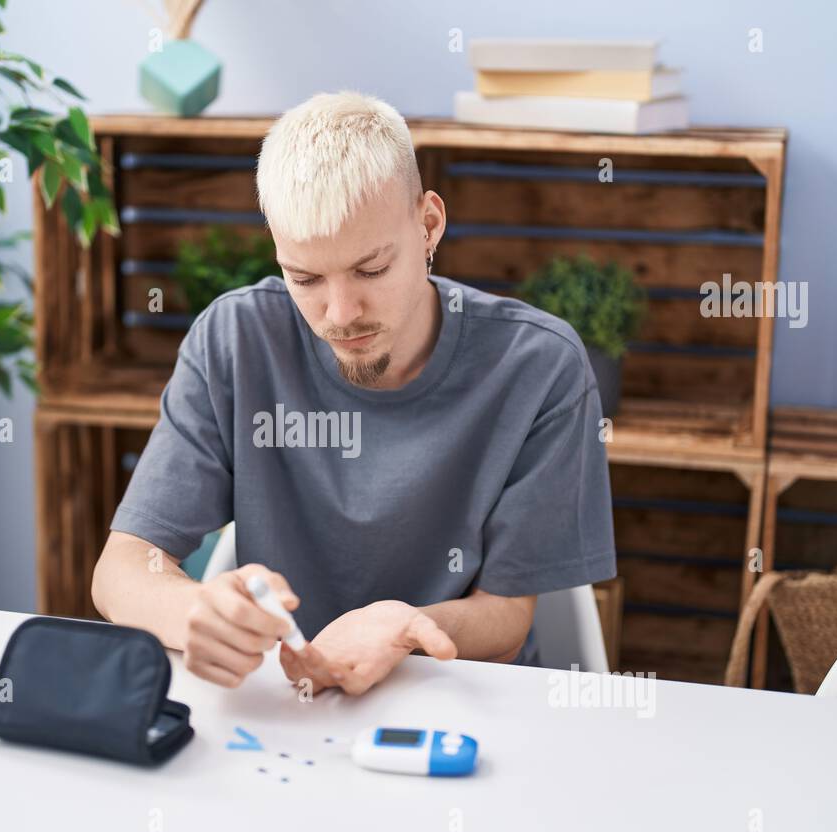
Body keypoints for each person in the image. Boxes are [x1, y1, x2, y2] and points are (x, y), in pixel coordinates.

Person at [91, 90, 616, 694]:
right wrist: (193, 614)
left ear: (429, 225)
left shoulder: (541, 365)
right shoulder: (235, 338)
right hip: (287, 702)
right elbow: (123, 569)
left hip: (460, 695)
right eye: (306, 277)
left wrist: (405, 626)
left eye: (371, 270)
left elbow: (507, 618)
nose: (341, 314)